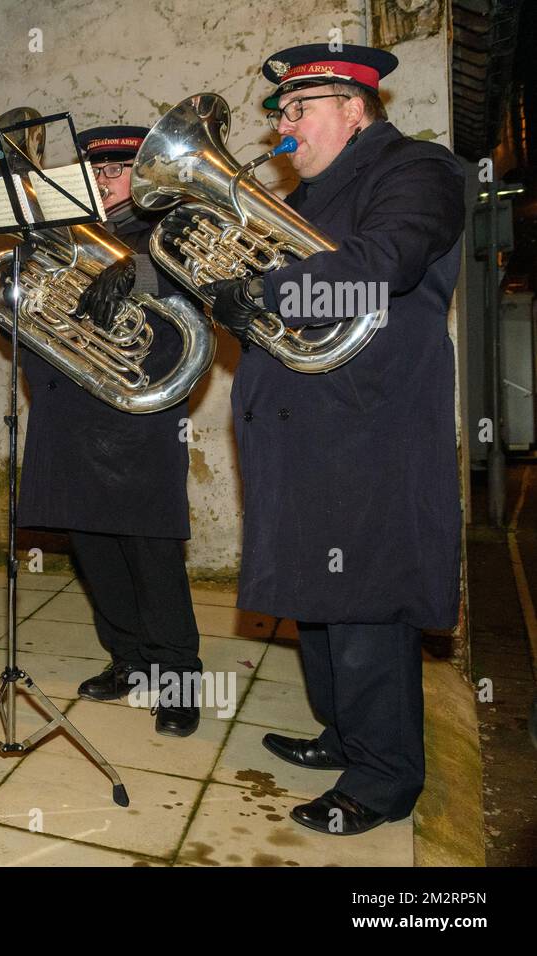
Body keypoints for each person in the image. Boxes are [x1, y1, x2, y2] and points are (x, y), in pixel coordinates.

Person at [204, 44, 465, 834]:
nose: (283, 128)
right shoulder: (307, 201)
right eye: (279, 113)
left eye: (299, 110)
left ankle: (384, 780)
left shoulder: (418, 170)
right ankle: (345, 735)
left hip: (368, 430)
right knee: (317, 600)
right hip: (303, 431)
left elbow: (380, 264)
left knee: (364, 606)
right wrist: (230, 299)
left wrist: (263, 287)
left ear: (356, 109)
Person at [18, 125, 203, 737]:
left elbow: (200, 292)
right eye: (95, 172)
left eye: (116, 170)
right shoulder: (64, 237)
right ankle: (129, 660)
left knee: (150, 550)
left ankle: (178, 676)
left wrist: (137, 273)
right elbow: (25, 317)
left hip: (139, 411)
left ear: (145, 172)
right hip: (73, 411)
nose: (104, 181)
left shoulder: (174, 226)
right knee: (93, 547)